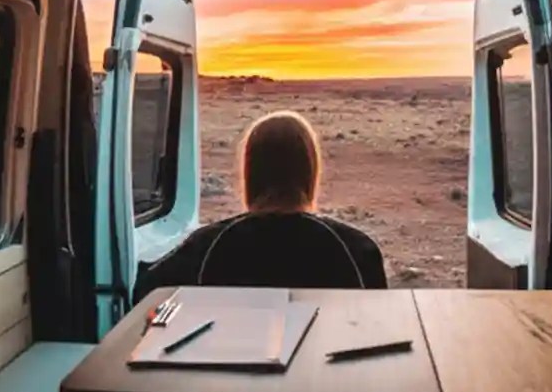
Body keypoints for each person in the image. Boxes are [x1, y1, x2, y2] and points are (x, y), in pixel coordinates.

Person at [134, 110, 387, 301]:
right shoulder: (355, 249)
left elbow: (145, 292)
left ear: (251, 172)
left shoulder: (208, 245)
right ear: (310, 171)